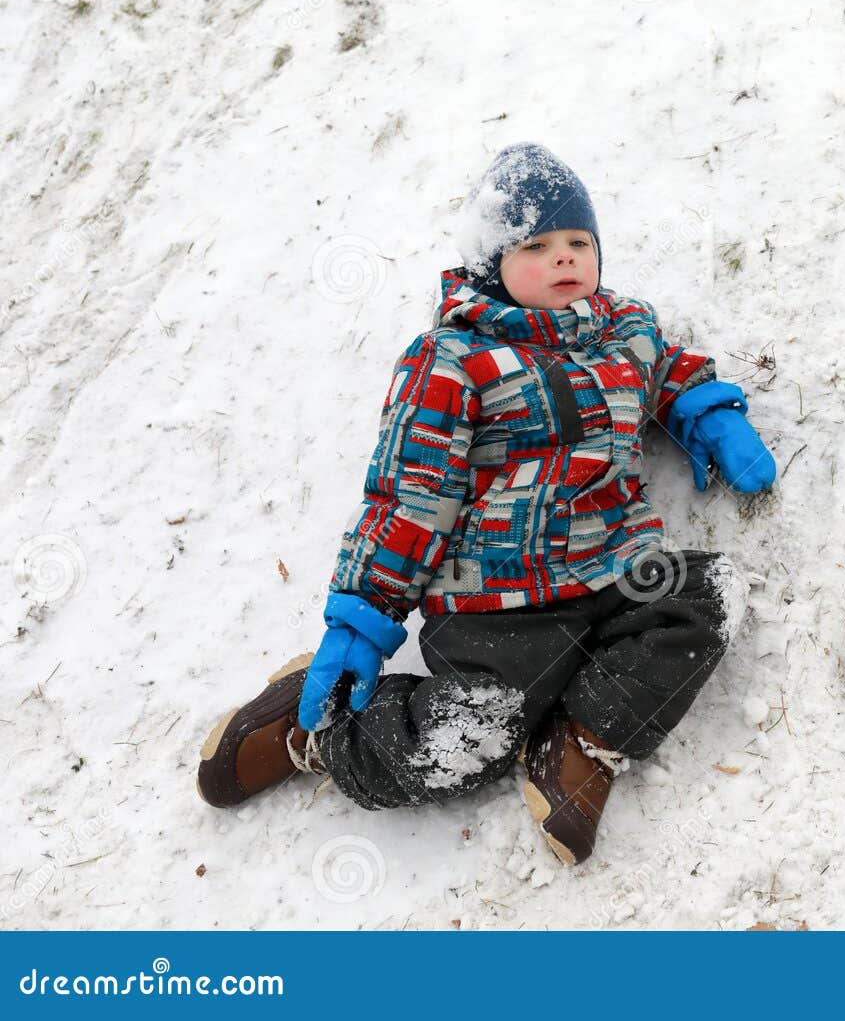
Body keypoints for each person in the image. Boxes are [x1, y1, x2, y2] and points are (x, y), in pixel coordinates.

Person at [197, 143, 776, 865]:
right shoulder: (453, 360)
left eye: (578, 242)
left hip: (621, 571)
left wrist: (703, 410)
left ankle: (582, 742)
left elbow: (665, 365)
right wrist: (364, 617)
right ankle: (322, 730)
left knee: (707, 596)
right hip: (500, 603)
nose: (564, 257)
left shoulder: (624, 327)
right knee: (479, 732)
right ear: (490, 265)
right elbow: (409, 497)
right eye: (537, 245)